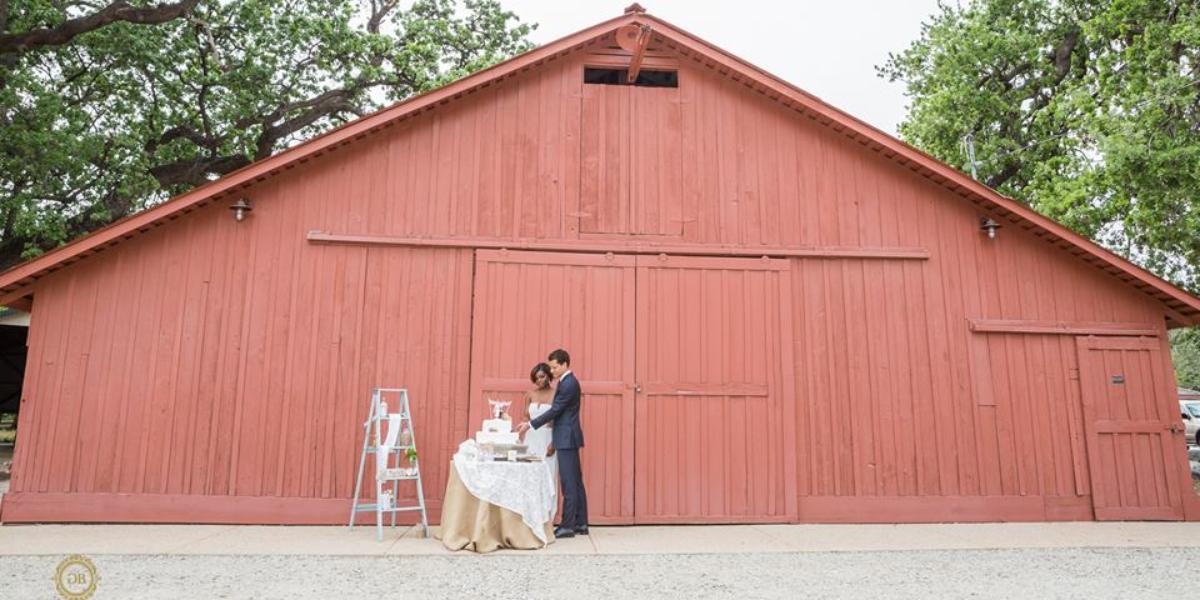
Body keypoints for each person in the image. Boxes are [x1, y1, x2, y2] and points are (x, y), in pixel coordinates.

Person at [518, 348, 588, 537]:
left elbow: (556, 410)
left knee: (569, 483)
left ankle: (567, 525)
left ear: (565, 364)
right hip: (568, 437)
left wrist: (531, 424)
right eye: (551, 367)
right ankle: (581, 523)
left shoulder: (568, 384)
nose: (553, 371)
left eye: (555, 367)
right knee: (575, 481)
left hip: (565, 438)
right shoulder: (567, 382)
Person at [523, 362, 555, 457]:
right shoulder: (530, 394)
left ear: (549, 376)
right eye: (536, 378)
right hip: (530, 438)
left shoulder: (557, 394)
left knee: (548, 470)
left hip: (548, 438)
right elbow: (526, 417)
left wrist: (554, 444)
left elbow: (560, 421)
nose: (538, 380)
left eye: (542, 376)